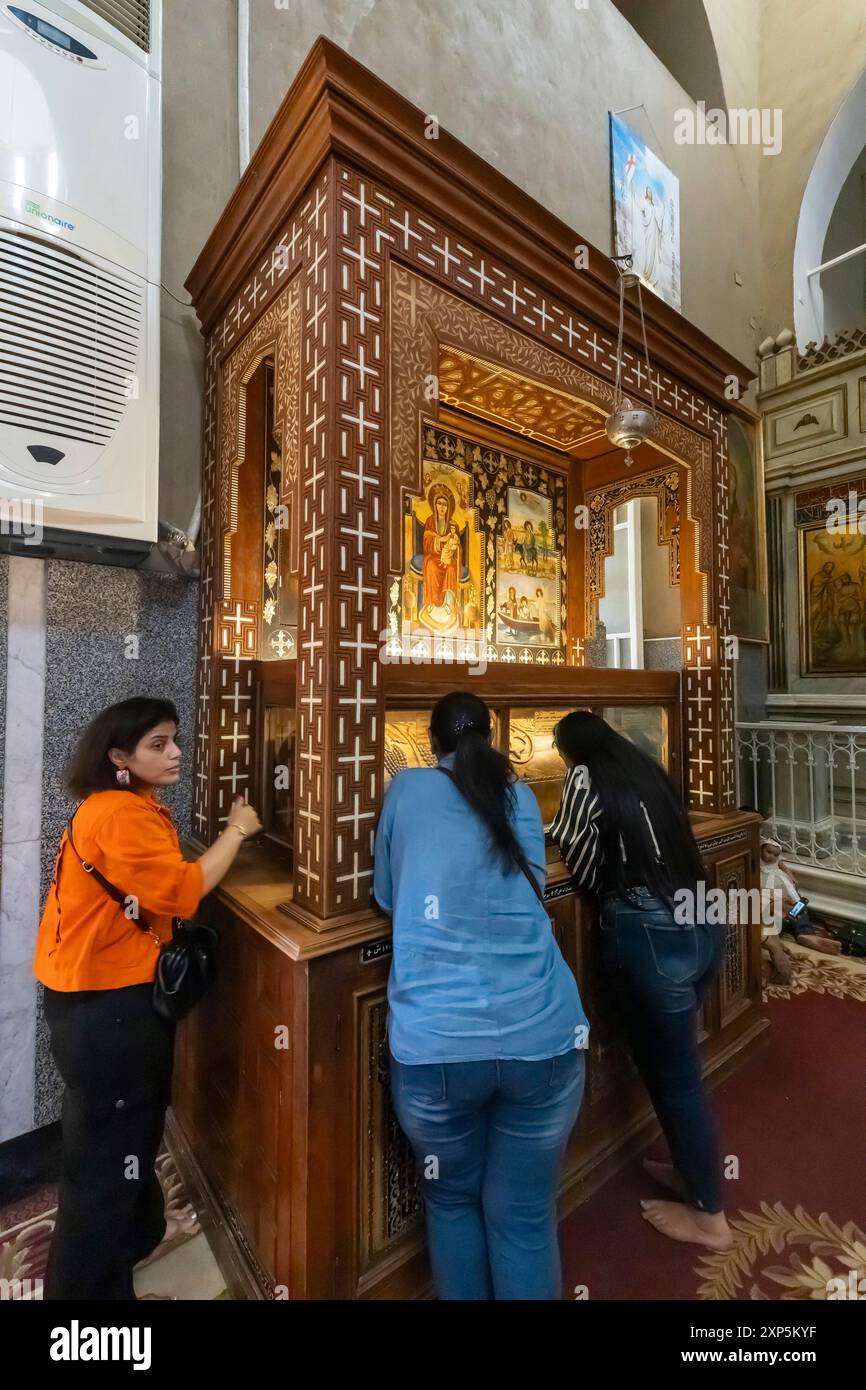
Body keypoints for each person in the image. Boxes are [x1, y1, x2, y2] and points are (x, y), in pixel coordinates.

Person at [33, 697, 262, 1300]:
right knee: (104, 1164)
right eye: (158, 744)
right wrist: (238, 830)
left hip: (94, 998)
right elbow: (183, 891)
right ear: (119, 757)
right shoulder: (120, 815)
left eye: (174, 740)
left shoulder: (120, 806)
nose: (176, 752)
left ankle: (134, 1240)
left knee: (118, 1141)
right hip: (108, 1006)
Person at [373, 691, 588, 1299]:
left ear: (430, 739)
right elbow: (536, 886)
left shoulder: (407, 790)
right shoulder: (517, 793)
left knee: (451, 1201)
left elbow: (386, 897)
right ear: (492, 736)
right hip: (546, 1035)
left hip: (437, 1049)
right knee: (522, 1216)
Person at [548, 710, 732, 1251]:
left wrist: (562, 834)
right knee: (677, 1070)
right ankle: (692, 1175)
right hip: (700, 921)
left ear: (567, 750)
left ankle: (709, 1216)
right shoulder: (645, 767)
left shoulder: (585, 776)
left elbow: (581, 860)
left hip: (652, 937)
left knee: (676, 1080)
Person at [760, 838, 841, 956]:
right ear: (761, 849)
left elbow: (783, 867)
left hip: (785, 904)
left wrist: (789, 876)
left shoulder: (777, 865)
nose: (771, 857)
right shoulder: (757, 865)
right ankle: (799, 930)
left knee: (799, 903)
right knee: (783, 913)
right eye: (768, 852)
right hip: (771, 912)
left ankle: (805, 933)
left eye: (775, 855)